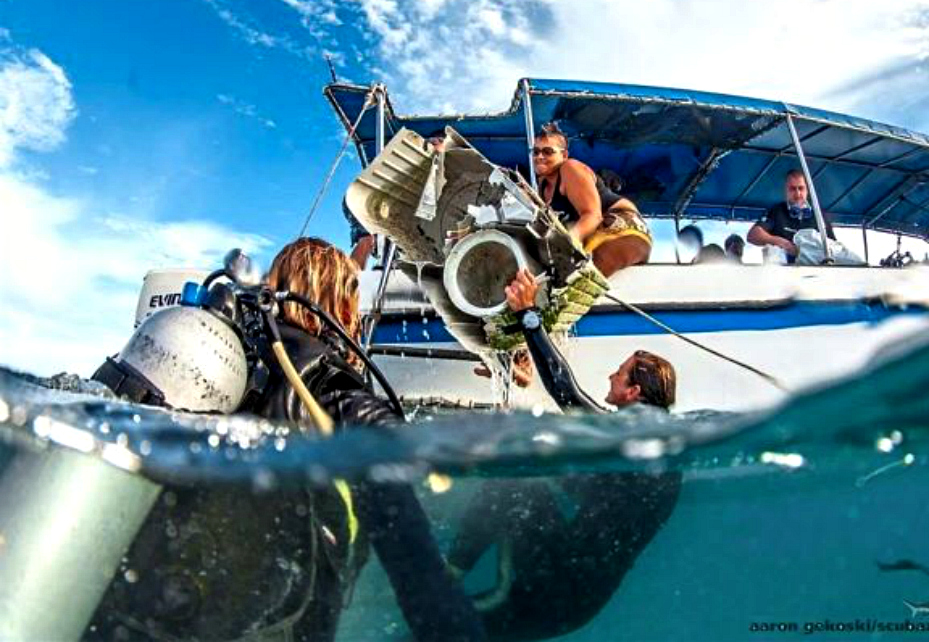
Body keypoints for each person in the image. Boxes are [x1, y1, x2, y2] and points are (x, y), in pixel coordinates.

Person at [89, 238, 484, 642]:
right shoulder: (336, 393)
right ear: (345, 308)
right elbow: (418, 572)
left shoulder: (222, 359)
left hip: (137, 597)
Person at [447, 269, 682, 641]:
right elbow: (593, 491)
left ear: (634, 391)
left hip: (554, 587)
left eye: (619, 375)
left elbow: (567, 394)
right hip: (577, 596)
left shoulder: (636, 438)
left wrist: (528, 314)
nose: (609, 376)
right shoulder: (658, 456)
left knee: (514, 487)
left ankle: (446, 578)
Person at [533, 122, 653, 277]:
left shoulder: (570, 168)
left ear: (564, 155)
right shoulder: (542, 185)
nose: (539, 157)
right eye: (535, 152)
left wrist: (567, 245)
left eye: (548, 151)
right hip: (595, 237)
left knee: (574, 283)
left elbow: (592, 215)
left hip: (624, 229)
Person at [747, 169, 836, 263]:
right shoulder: (777, 211)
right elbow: (753, 235)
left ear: (807, 190)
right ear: (786, 191)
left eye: (801, 188)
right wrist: (780, 242)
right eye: (792, 189)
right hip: (781, 273)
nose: (798, 194)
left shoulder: (820, 216)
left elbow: (834, 247)